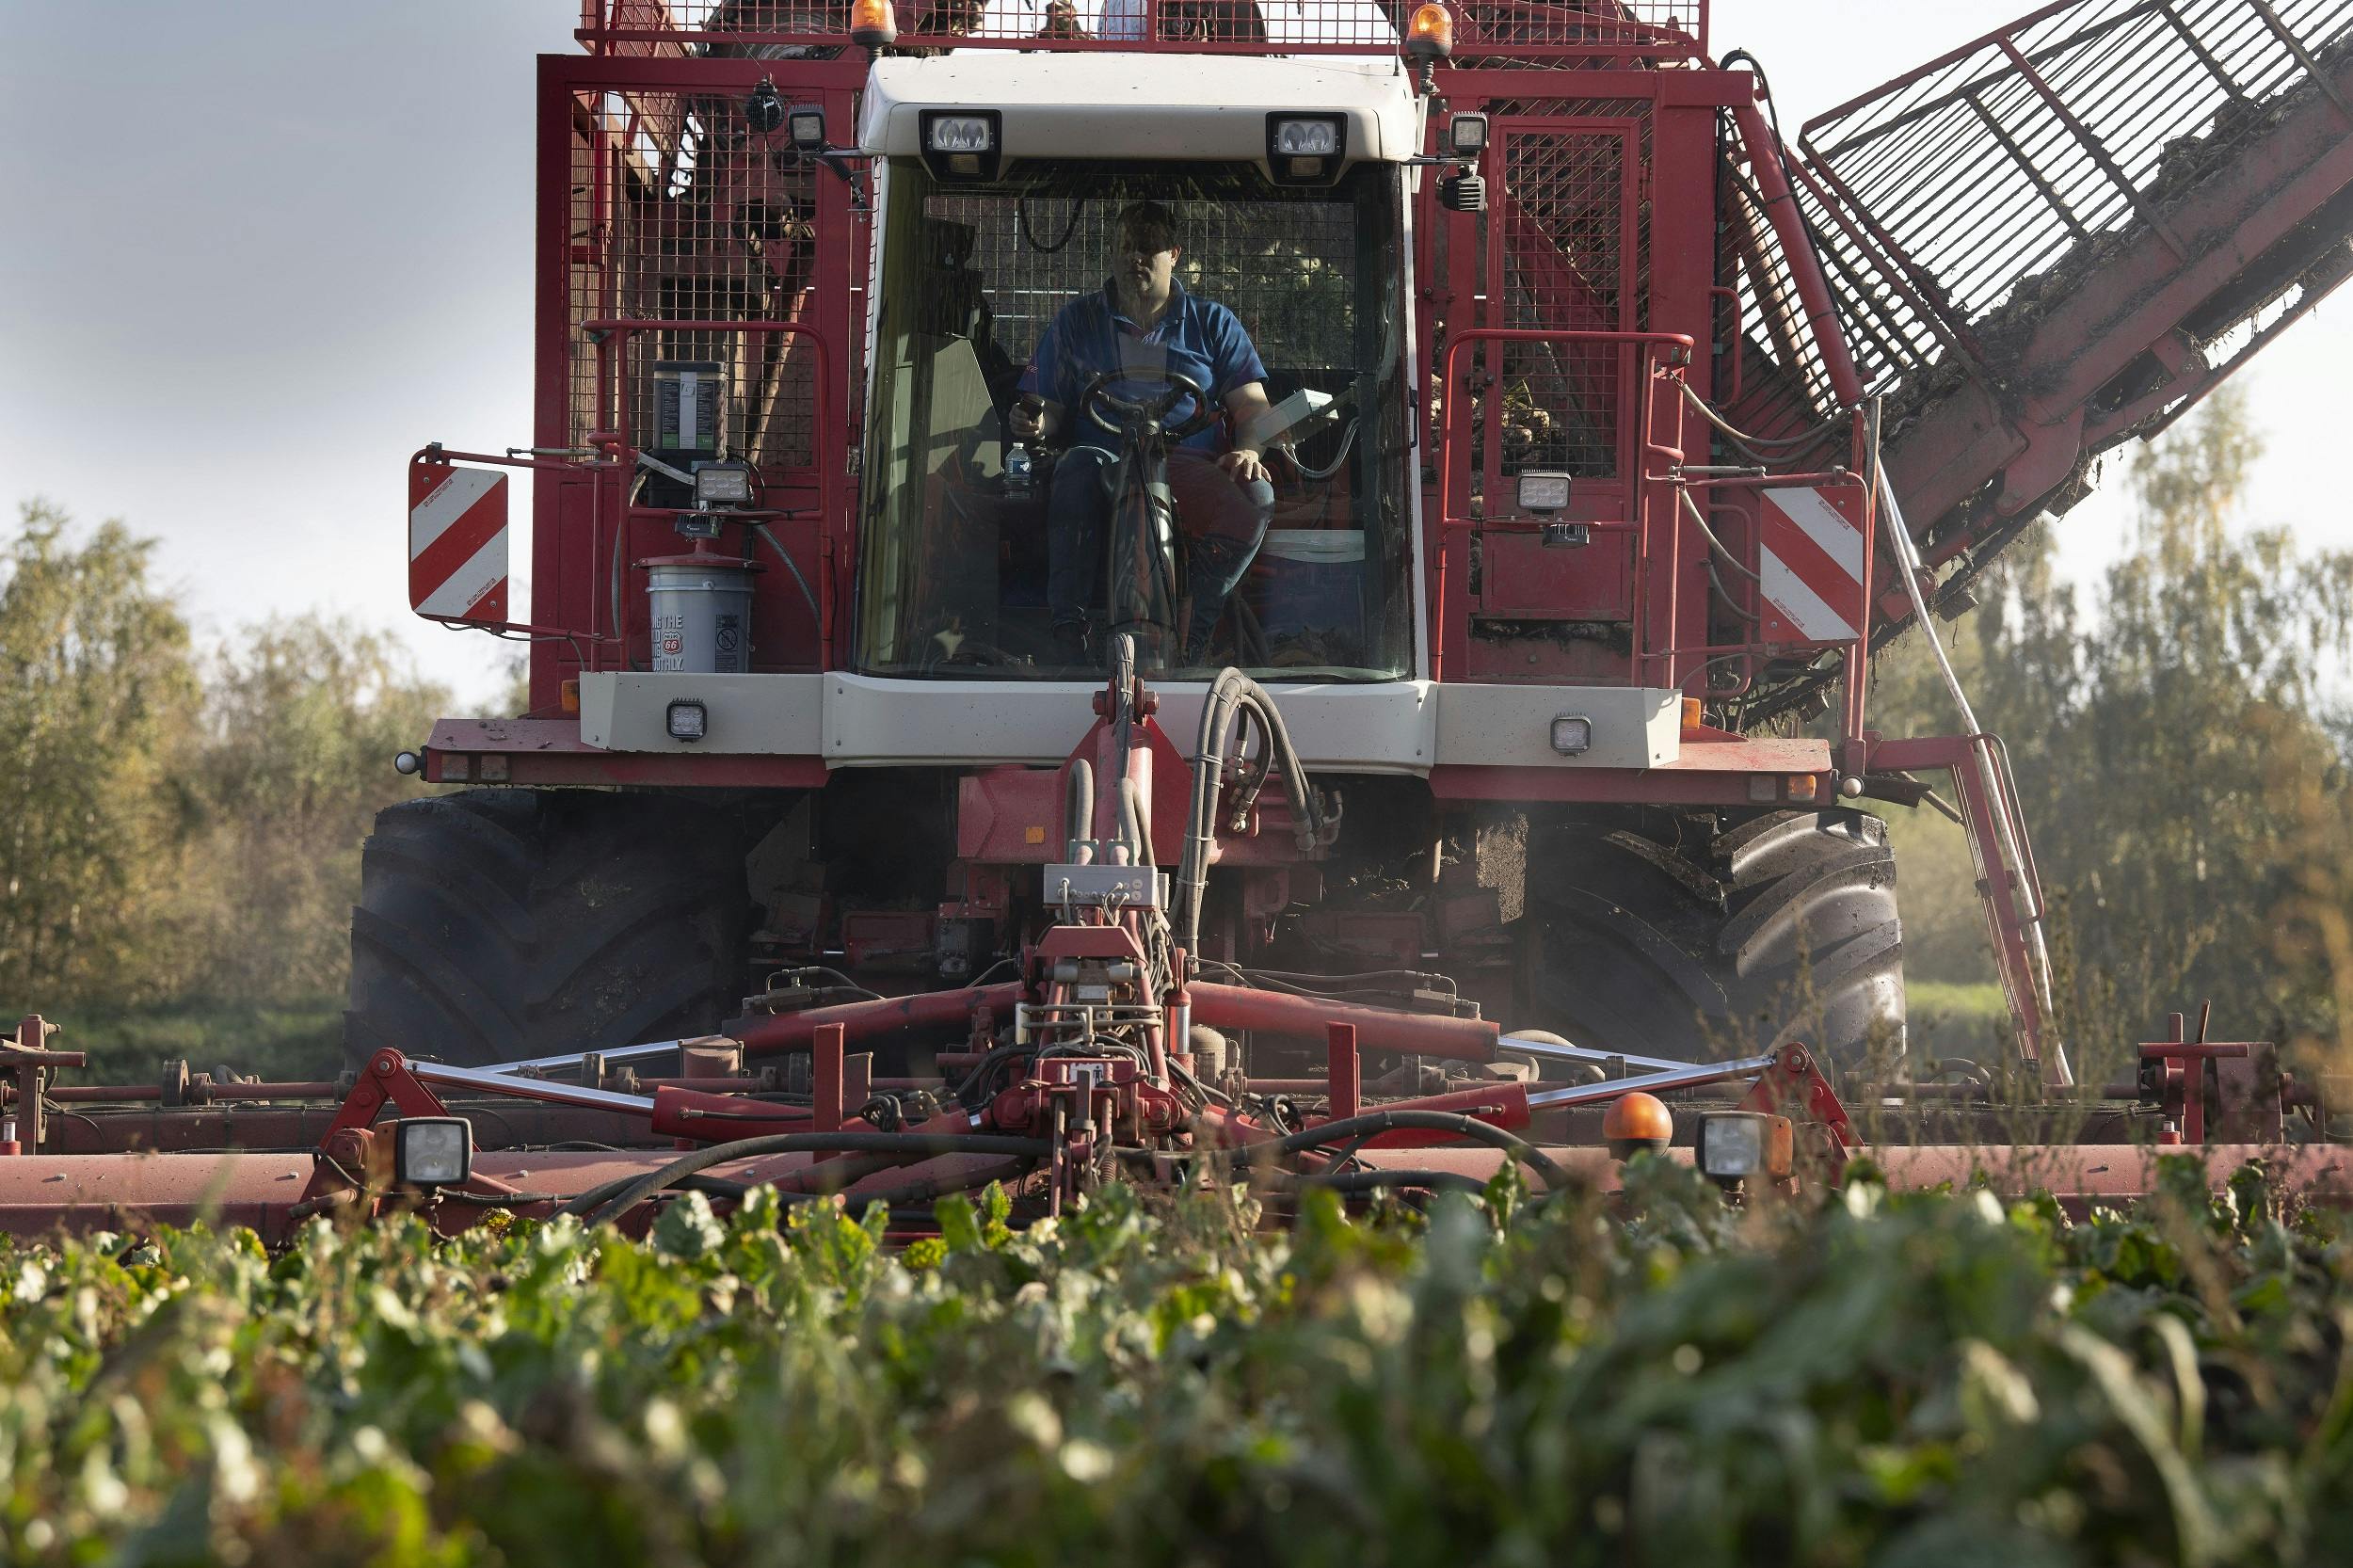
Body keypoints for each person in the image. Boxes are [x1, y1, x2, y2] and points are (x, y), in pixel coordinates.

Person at [1010, 200, 1276, 666]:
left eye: (1148, 247)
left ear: (1174, 253)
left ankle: (1198, 623)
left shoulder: (1213, 323)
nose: (1136, 258)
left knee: (1255, 498)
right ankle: (1067, 631)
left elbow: (1253, 405)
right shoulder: (1076, 322)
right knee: (1072, 469)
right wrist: (1034, 423)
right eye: (1126, 247)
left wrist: (1250, 449)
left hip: (1187, 465)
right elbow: (1050, 410)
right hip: (1104, 459)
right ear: (1112, 254)